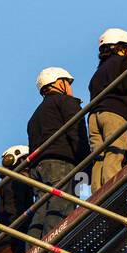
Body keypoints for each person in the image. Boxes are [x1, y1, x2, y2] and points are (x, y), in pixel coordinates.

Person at [26, 67, 89, 243]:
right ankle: (52, 245)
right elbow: (77, 131)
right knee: (60, 206)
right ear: (59, 83)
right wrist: (87, 163)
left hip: (37, 168)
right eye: (68, 83)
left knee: (40, 210)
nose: (70, 88)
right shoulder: (65, 102)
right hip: (61, 163)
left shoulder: (34, 117)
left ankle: (31, 251)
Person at [87, 28, 127, 190]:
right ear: (120, 46)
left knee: (98, 156)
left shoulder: (98, 72)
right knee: (115, 152)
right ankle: (112, 190)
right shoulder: (126, 62)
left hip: (94, 117)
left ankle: (96, 194)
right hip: (115, 114)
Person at [0, 144, 34, 253]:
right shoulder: (16, 181)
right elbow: (14, 212)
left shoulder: (10, 181)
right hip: (11, 245)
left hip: (8, 245)